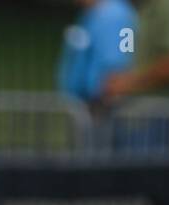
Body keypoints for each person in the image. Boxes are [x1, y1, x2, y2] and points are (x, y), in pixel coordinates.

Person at [103, 0, 169, 152]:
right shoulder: (134, 10)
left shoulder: (168, 8)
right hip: (125, 116)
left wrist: (127, 84)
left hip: (152, 121)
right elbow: (127, 51)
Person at [56, 0, 137, 149]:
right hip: (87, 107)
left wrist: (102, 103)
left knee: (99, 163)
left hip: (100, 108)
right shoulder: (93, 13)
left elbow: (120, 63)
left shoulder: (115, 15)